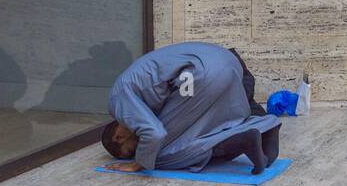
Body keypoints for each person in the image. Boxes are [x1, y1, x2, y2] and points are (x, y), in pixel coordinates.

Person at [101, 42, 281, 174]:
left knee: (159, 154)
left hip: (199, 74)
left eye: (131, 150)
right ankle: (265, 126)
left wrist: (138, 162)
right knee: (219, 119)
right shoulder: (131, 85)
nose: (138, 147)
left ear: (119, 136)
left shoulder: (118, 102)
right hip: (229, 61)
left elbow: (155, 134)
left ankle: (242, 140)